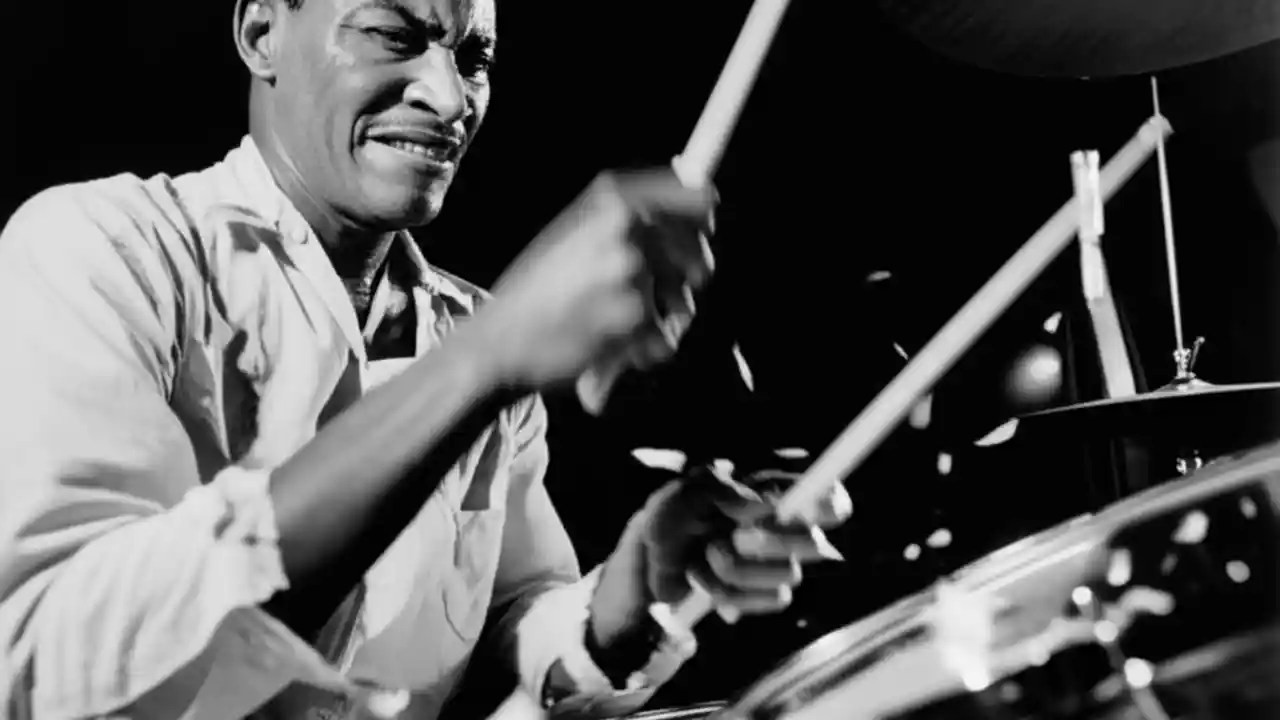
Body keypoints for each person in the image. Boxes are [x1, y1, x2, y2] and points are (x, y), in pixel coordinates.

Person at [0, 0, 852, 718]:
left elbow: (512, 625)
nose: (450, 98)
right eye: (391, 35)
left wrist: (622, 602)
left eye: (473, 56)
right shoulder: (105, 250)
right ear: (263, 34)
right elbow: (46, 664)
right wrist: (481, 365)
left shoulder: (467, 322)